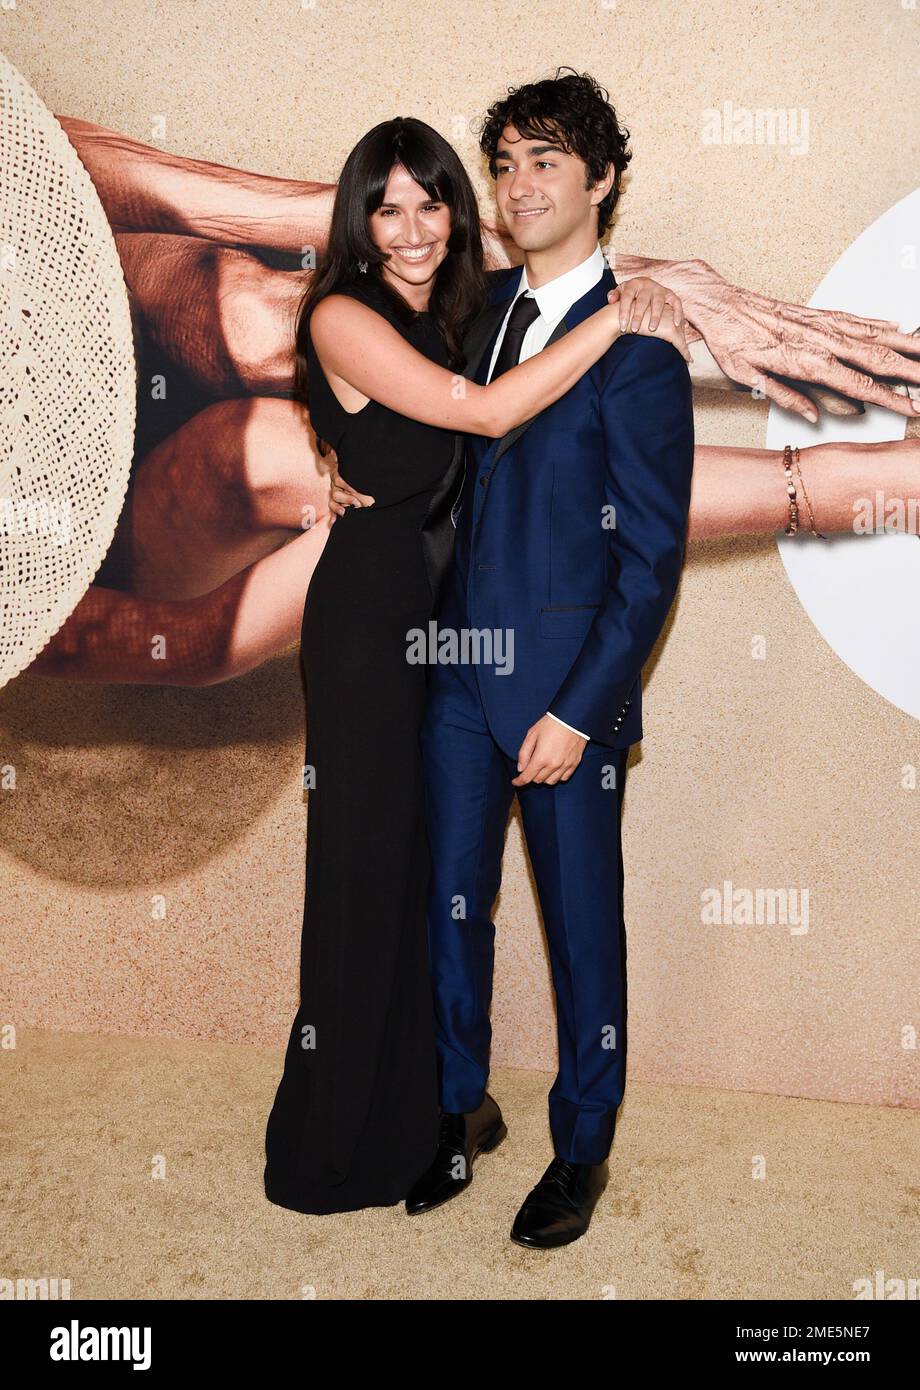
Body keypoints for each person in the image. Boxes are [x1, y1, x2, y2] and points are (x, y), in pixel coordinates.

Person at [260, 113, 690, 1214]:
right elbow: (432, 420)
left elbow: (648, 560)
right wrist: (334, 462)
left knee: (580, 920)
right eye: (501, 163)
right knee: (445, 904)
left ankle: (581, 1146)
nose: (517, 182)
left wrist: (584, 710)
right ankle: (454, 1108)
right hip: (439, 669)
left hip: (559, 690)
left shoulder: (640, 342)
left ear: (601, 180)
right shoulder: (476, 312)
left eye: (544, 160)